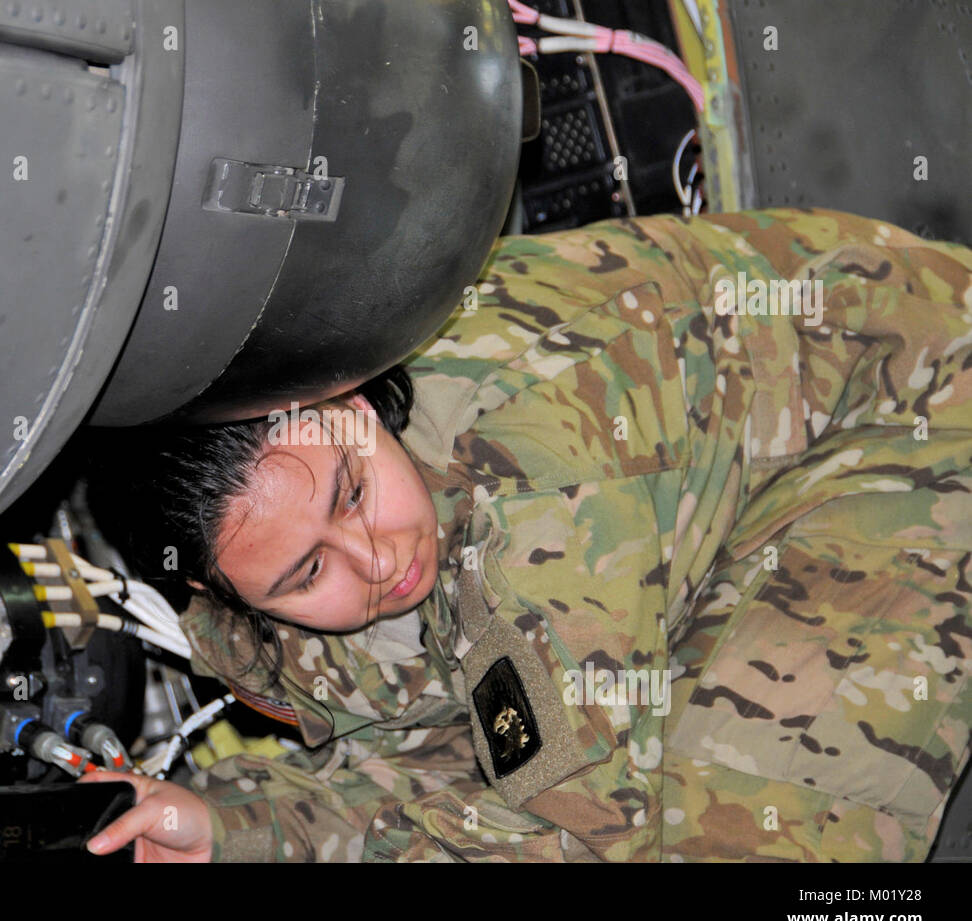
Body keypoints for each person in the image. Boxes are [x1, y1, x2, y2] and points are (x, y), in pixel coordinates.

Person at [81, 207, 972, 862]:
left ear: (347, 402)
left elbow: (577, 837)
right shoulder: (320, 473)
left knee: (731, 828)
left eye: (353, 492)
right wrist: (231, 828)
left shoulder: (536, 501)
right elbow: (427, 747)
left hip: (915, 403)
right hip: (717, 486)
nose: (377, 556)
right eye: (308, 570)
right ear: (213, 590)